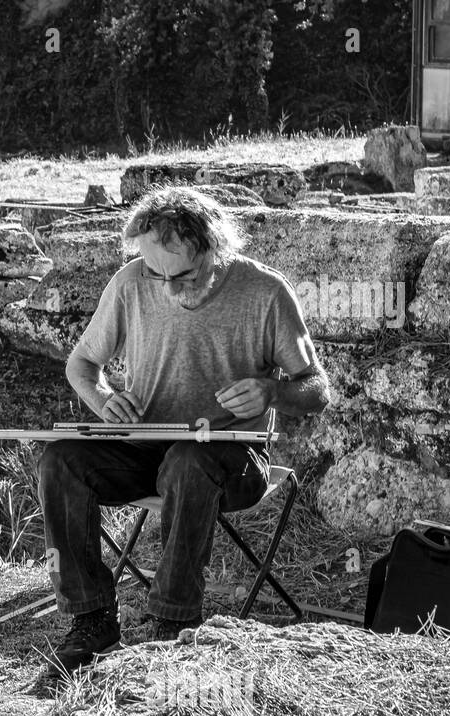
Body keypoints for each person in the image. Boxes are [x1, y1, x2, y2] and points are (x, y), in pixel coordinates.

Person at [35, 185, 330, 680]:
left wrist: (271, 392)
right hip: (147, 446)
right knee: (60, 460)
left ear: (216, 250)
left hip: (233, 456)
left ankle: (172, 625)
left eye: (185, 274)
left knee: (189, 463)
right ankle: (91, 620)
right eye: (157, 273)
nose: (169, 289)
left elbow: (317, 389)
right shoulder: (130, 283)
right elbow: (82, 365)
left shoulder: (265, 291)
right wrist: (105, 400)